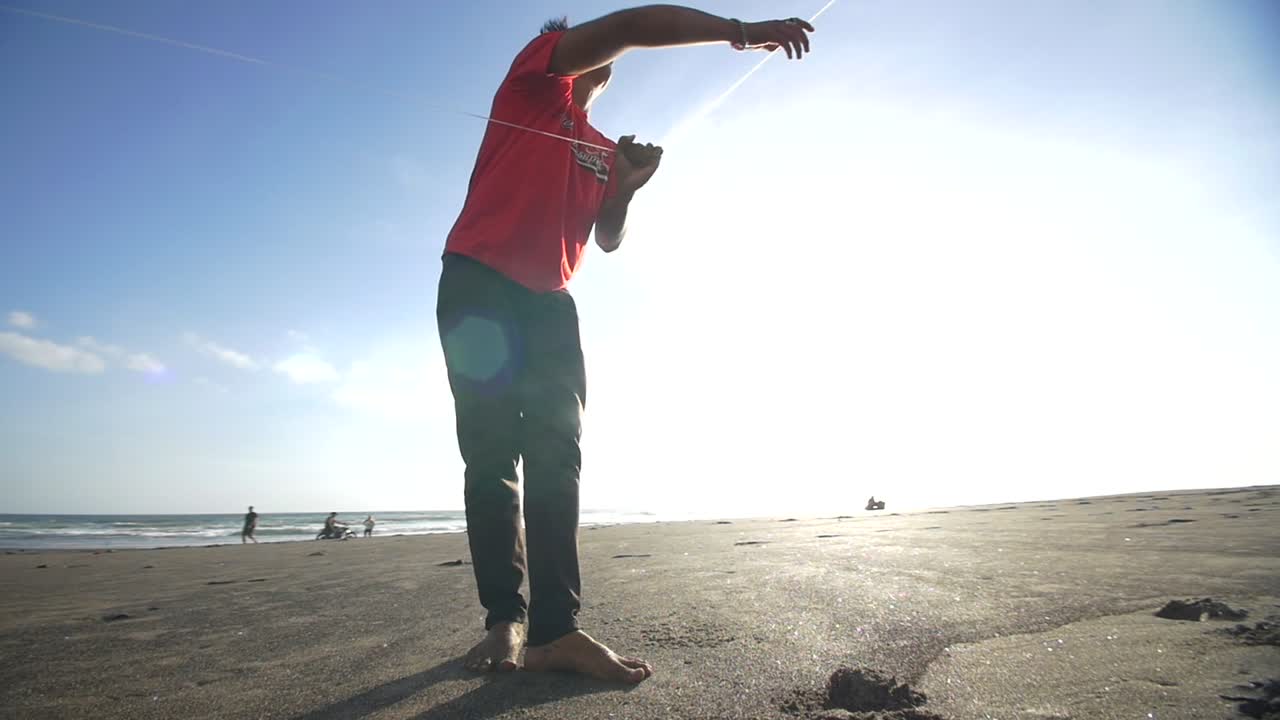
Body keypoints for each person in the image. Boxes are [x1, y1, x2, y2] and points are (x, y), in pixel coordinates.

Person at [435, 7, 814, 685]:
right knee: (491, 454)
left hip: (551, 303)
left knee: (558, 454)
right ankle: (504, 623)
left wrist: (626, 187)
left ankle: (555, 631)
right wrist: (743, 31)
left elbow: (606, 239)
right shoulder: (533, 81)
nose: (600, 61)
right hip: (479, 286)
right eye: (585, 49)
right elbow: (632, 25)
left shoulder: (602, 147)